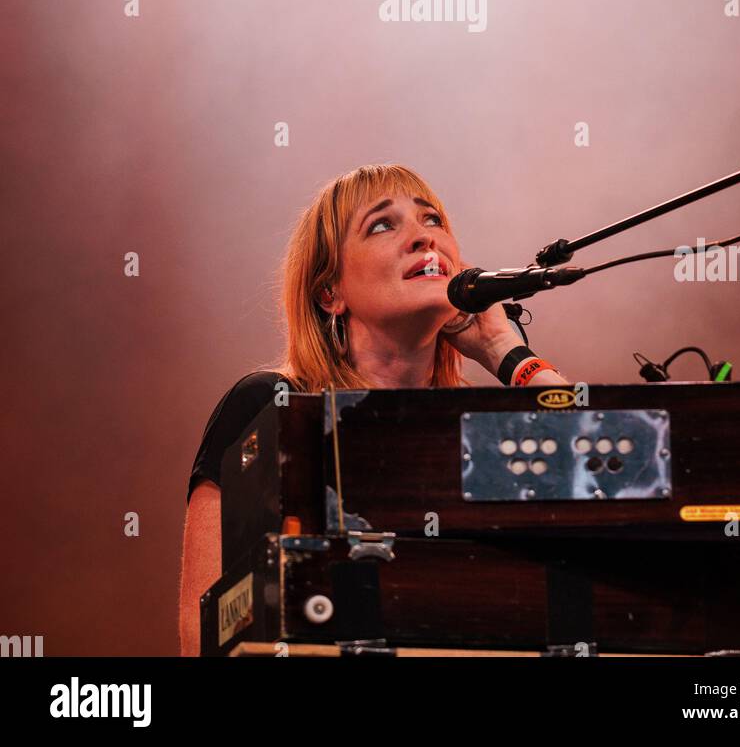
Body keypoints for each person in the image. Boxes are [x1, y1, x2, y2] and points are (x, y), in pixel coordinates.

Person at [178, 163, 571, 654]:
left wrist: (503, 351)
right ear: (330, 292)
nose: (422, 239)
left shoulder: (482, 431)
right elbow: (206, 633)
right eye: (383, 224)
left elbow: (602, 486)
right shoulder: (269, 406)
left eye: (433, 221)